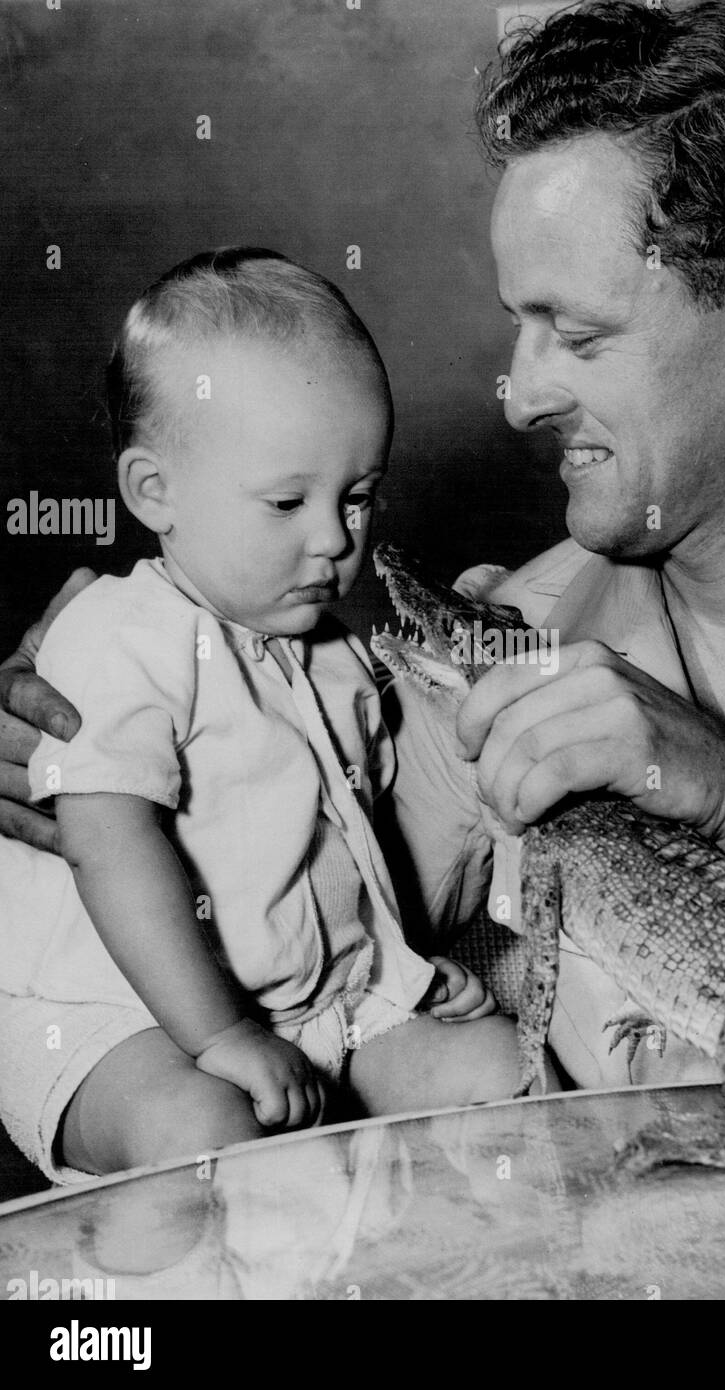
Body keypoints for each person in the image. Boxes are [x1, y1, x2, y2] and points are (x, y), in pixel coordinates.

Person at [3, 1, 725, 1100]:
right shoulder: (491, 644)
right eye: (516, 329)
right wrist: (135, 691)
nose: (521, 395)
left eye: (574, 334)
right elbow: (293, 950)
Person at [0, 248, 536, 1184]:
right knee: (205, 1134)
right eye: (288, 502)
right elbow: (107, 844)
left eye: (358, 498)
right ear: (152, 492)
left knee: (503, 1069)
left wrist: (400, 969)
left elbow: (350, 839)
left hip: (323, 1005)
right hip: (124, 1019)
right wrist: (221, 1034)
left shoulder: (332, 651)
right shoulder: (114, 637)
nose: (334, 539)